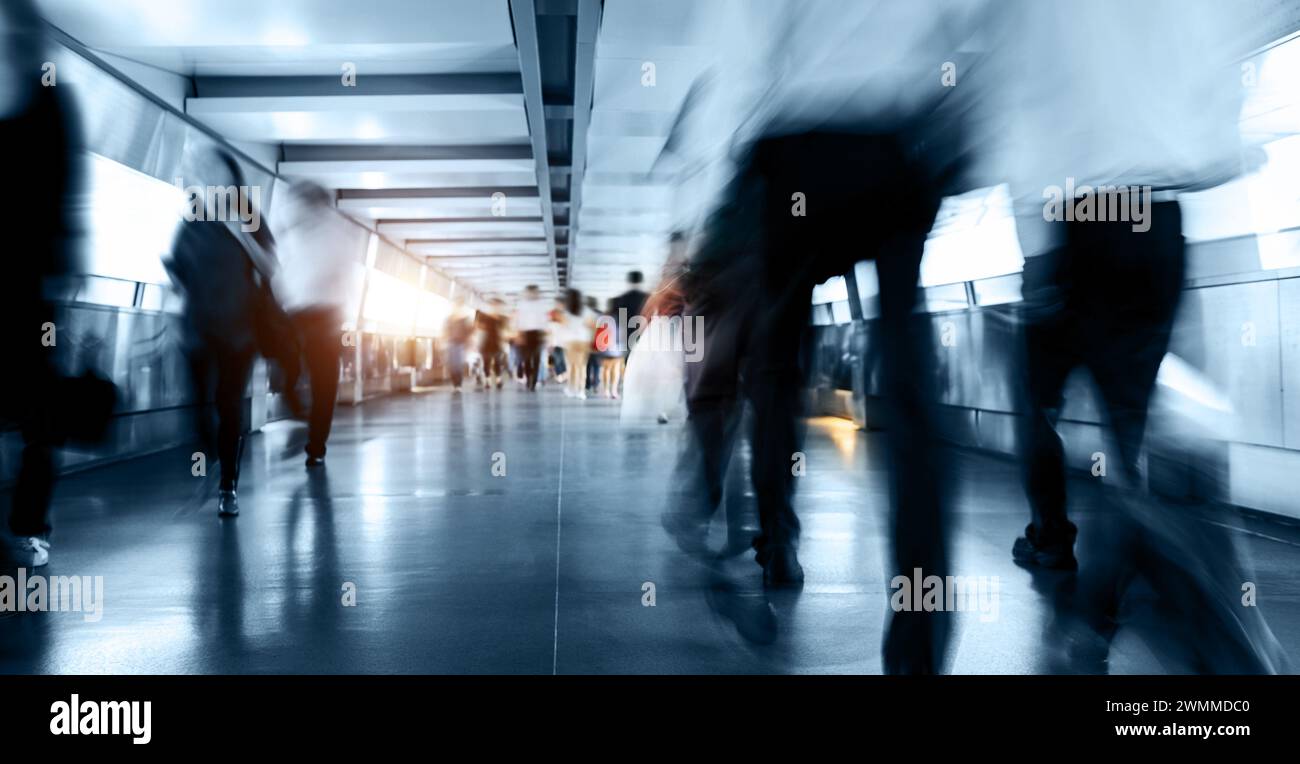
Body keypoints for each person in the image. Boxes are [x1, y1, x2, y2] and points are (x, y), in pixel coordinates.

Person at [660, 0, 977, 663]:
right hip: (899, 144)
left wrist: (733, 168)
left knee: (776, 367)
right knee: (910, 366)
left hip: (797, 151)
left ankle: (778, 540)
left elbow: (745, 42)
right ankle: (924, 606)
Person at [994, 0, 1286, 673]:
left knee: (1040, 405)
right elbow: (1225, 73)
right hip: (1157, 225)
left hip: (1079, 224)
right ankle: (1100, 610)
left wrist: (1037, 253)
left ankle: (1077, 570)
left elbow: (1023, 110)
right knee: (1143, 434)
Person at [167, 148, 276, 518]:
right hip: (197, 327)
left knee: (228, 406)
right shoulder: (192, 216)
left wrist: (240, 233)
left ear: (229, 174)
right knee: (198, 409)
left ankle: (227, 486)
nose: (202, 174)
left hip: (238, 329)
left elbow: (271, 266)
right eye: (198, 169)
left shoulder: (246, 212)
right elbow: (179, 269)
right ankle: (211, 458)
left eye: (209, 168)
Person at [271, 180, 360, 466]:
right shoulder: (298, 231)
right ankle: (310, 433)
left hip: (318, 316)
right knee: (313, 380)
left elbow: (332, 274)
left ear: (312, 203)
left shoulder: (331, 232)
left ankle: (314, 440)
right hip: (309, 315)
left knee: (317, 380)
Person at [601, 271, 650, 399]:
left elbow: (615, 319)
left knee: (628, 363)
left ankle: (631, 387)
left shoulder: (621, 299)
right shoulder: (647, 297)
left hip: (626, 337)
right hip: (644, 335)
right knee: (644, 362)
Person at [557, 289, 596, 400]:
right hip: (584, 342)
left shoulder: (566, 312)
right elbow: (593, 326)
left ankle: (571, 389)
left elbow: (563, 327)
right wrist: (592, 340)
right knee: (582, 367)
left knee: (572, 367)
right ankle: (581, 391)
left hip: (571, 342)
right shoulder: (587, 311)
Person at [513, 285, 551, 392]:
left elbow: (545, 321)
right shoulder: (522, 304)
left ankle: (533, 381)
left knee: (536, 358)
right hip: (527, 333)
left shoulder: (541, 304)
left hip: (538, 333)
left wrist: (546, 335)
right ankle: (530, 378)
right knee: (527, 359)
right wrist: (519, 334)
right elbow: (519, 320)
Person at [475, 298, 509, 390]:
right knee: (487, 362)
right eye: (494, 305)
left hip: (497, 344)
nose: (496, 307)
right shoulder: (485, 317)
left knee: (497, 362)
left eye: (498, 306)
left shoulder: (502, 318)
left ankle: (498, 380)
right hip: (486, 343)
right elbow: (478, 326)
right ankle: (488, 381)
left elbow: (505, 331)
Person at [443, 296, 473, 393]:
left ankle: (458, 384)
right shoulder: (449, 319)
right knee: (452, 364)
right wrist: (443, 340)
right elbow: (445, 331)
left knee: (458, 364)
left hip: (461, 344)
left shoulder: (466, 319)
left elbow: (469, 332)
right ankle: (455, 383)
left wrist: (470, 343)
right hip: (451, 343)